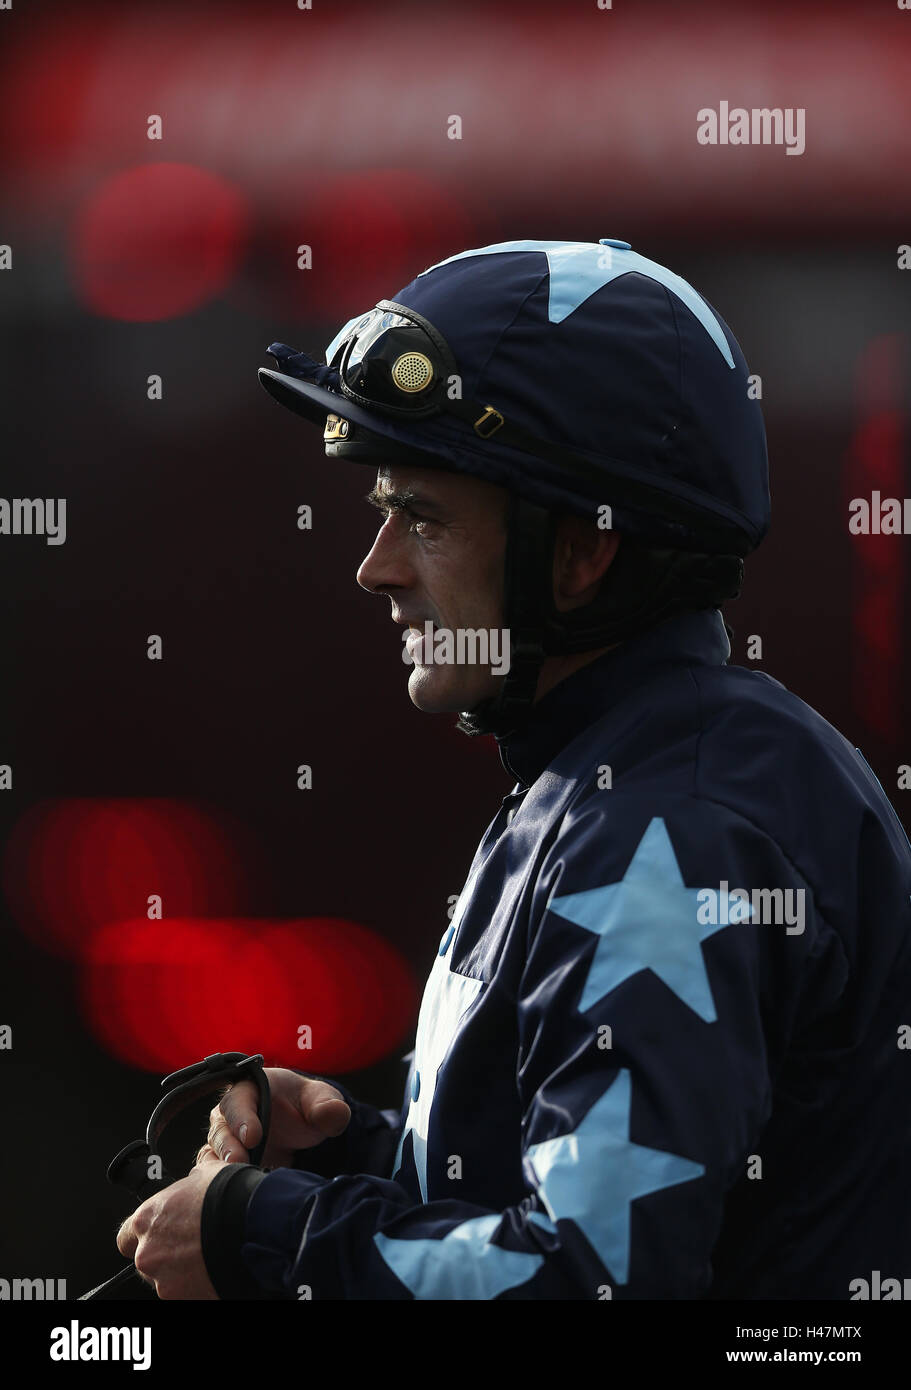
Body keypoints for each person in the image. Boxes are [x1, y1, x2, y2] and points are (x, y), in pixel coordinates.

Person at [117, 238, 911, 1300]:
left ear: (582, 551)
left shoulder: (670, 826)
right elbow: (596, 1207)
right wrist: (359, 1150)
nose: (376, 569)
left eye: (425, 518)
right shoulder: (616, 775)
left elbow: (591, 1281)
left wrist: (266, 1238)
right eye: (381, 511)